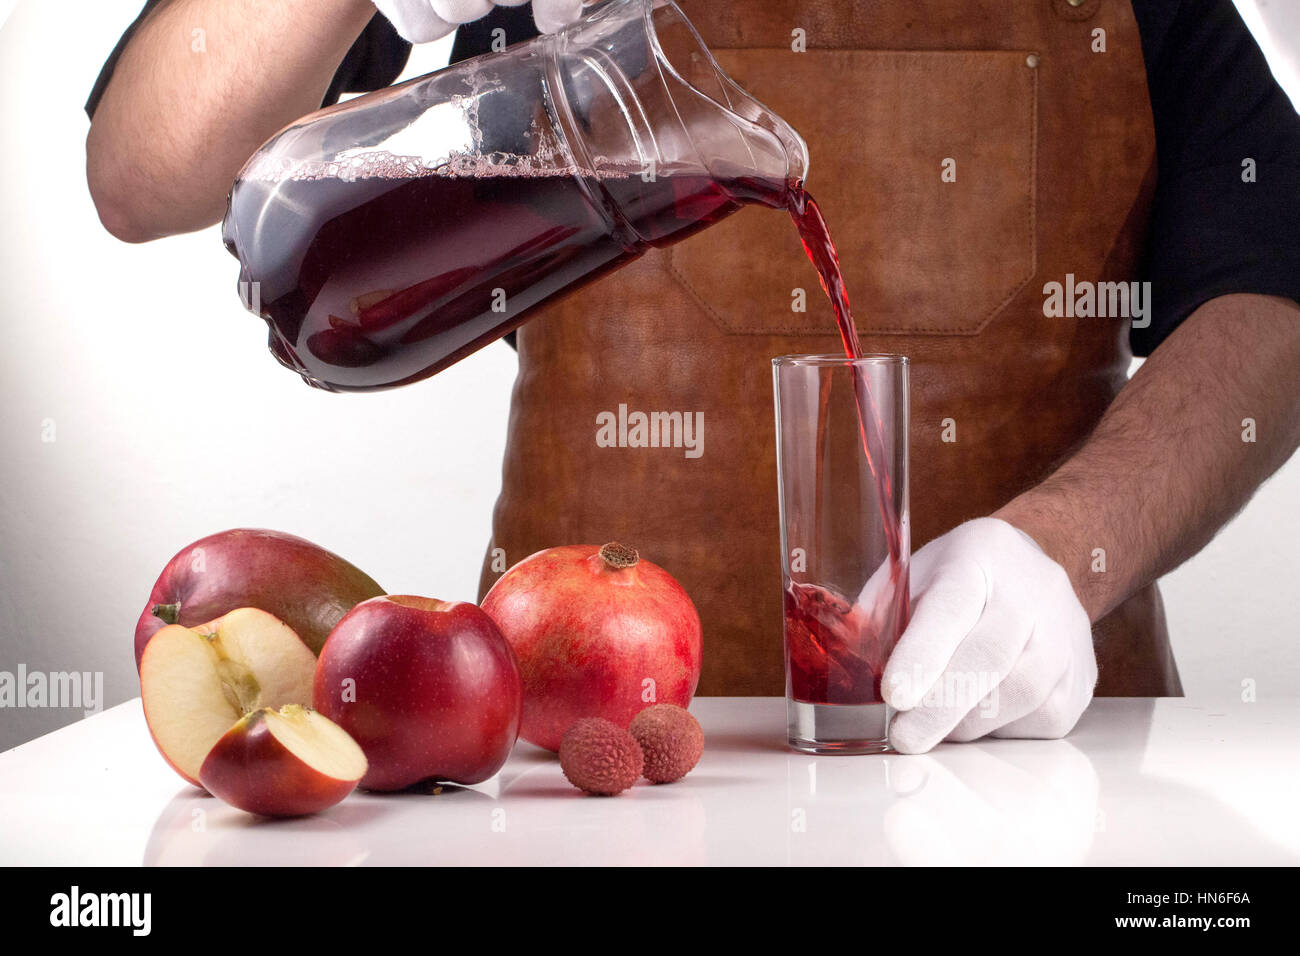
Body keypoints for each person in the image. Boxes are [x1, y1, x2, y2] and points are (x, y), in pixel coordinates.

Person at [85, 0, 1300, 754]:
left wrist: (1064, 547)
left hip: (1032, 775)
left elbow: (1276, 287)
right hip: (587, 793)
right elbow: (145, 170)